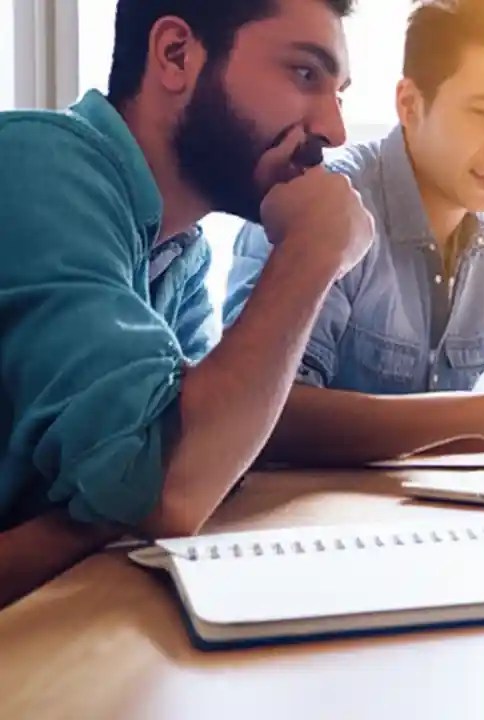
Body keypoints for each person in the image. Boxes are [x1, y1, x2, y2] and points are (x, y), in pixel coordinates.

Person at [0, 0, 373, 607]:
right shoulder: (38, 169)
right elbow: (174, 488)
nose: (334, 130)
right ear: (176, 54)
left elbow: (209, 458)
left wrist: (122, 499)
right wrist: (311, 251)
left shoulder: (179, 254)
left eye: (339, 92)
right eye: (305, 74)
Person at [224, 0, 484, 467]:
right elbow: (273, 415)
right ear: (409, 104)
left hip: (429, 521)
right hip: (304, 525)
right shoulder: (323, 208)